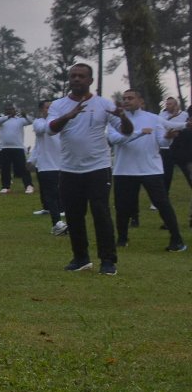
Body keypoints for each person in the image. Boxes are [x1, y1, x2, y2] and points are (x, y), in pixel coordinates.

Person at [47, 63, 132, 275]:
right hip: (69, 169)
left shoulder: (103, 104)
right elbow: (51, 129)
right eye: (73, 76)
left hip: (98, 168)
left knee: (101, 213)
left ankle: (108, 260)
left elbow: (127, 132)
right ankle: (81, 258)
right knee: (74, 216)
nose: (76, 79)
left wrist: (123, 117)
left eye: (81, 76)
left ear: (90, 80)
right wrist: (68, 116)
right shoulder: (58, 105)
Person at [107, 89, 186, 251]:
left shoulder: (152, 118)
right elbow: (115, 139)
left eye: (130, 98)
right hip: (124, 170)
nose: (126, 101)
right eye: (124, 98)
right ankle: (122, 238)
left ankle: (177, 239)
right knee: (122, 207)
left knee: (162, 204)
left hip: (150, 169)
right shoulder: (116, 119)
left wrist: (168, 138)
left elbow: (162, 142)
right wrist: (139, 133)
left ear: (140, 101)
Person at [31, 101, 66, 234]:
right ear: (42, 110)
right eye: (47, 108)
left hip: (63, 164)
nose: (50, 110)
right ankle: (57, 223)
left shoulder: (61, 123)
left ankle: (64, 218)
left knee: (63, 193)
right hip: (46, 165)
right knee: (50, 195)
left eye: (52, 108)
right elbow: (44, 129)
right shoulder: (38, 122)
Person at [0, 105, 35, 194]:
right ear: (5, 111)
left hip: (18, 147)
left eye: (11, 109)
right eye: (7, 109)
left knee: (23, 168)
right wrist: (9, 116)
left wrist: (25, 115)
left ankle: (29, 185)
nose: (9, 111)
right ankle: (6, 187)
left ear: (14, 110)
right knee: (5, 168)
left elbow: (31, 121)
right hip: (5, 148)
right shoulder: (2, 119)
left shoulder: (20, 120)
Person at [158, 97, 187, 193]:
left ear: (176, 105)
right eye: (166, 104)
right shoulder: (162, 114)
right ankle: (164, 194)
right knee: (166, 174)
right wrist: (172, 116)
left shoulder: (184, 114)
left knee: (187, 171)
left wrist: (174, 119)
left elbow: (180, 127)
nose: (167, 106)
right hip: (166, 147)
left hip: (180, 147)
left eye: (170, 104)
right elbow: (161, 125)